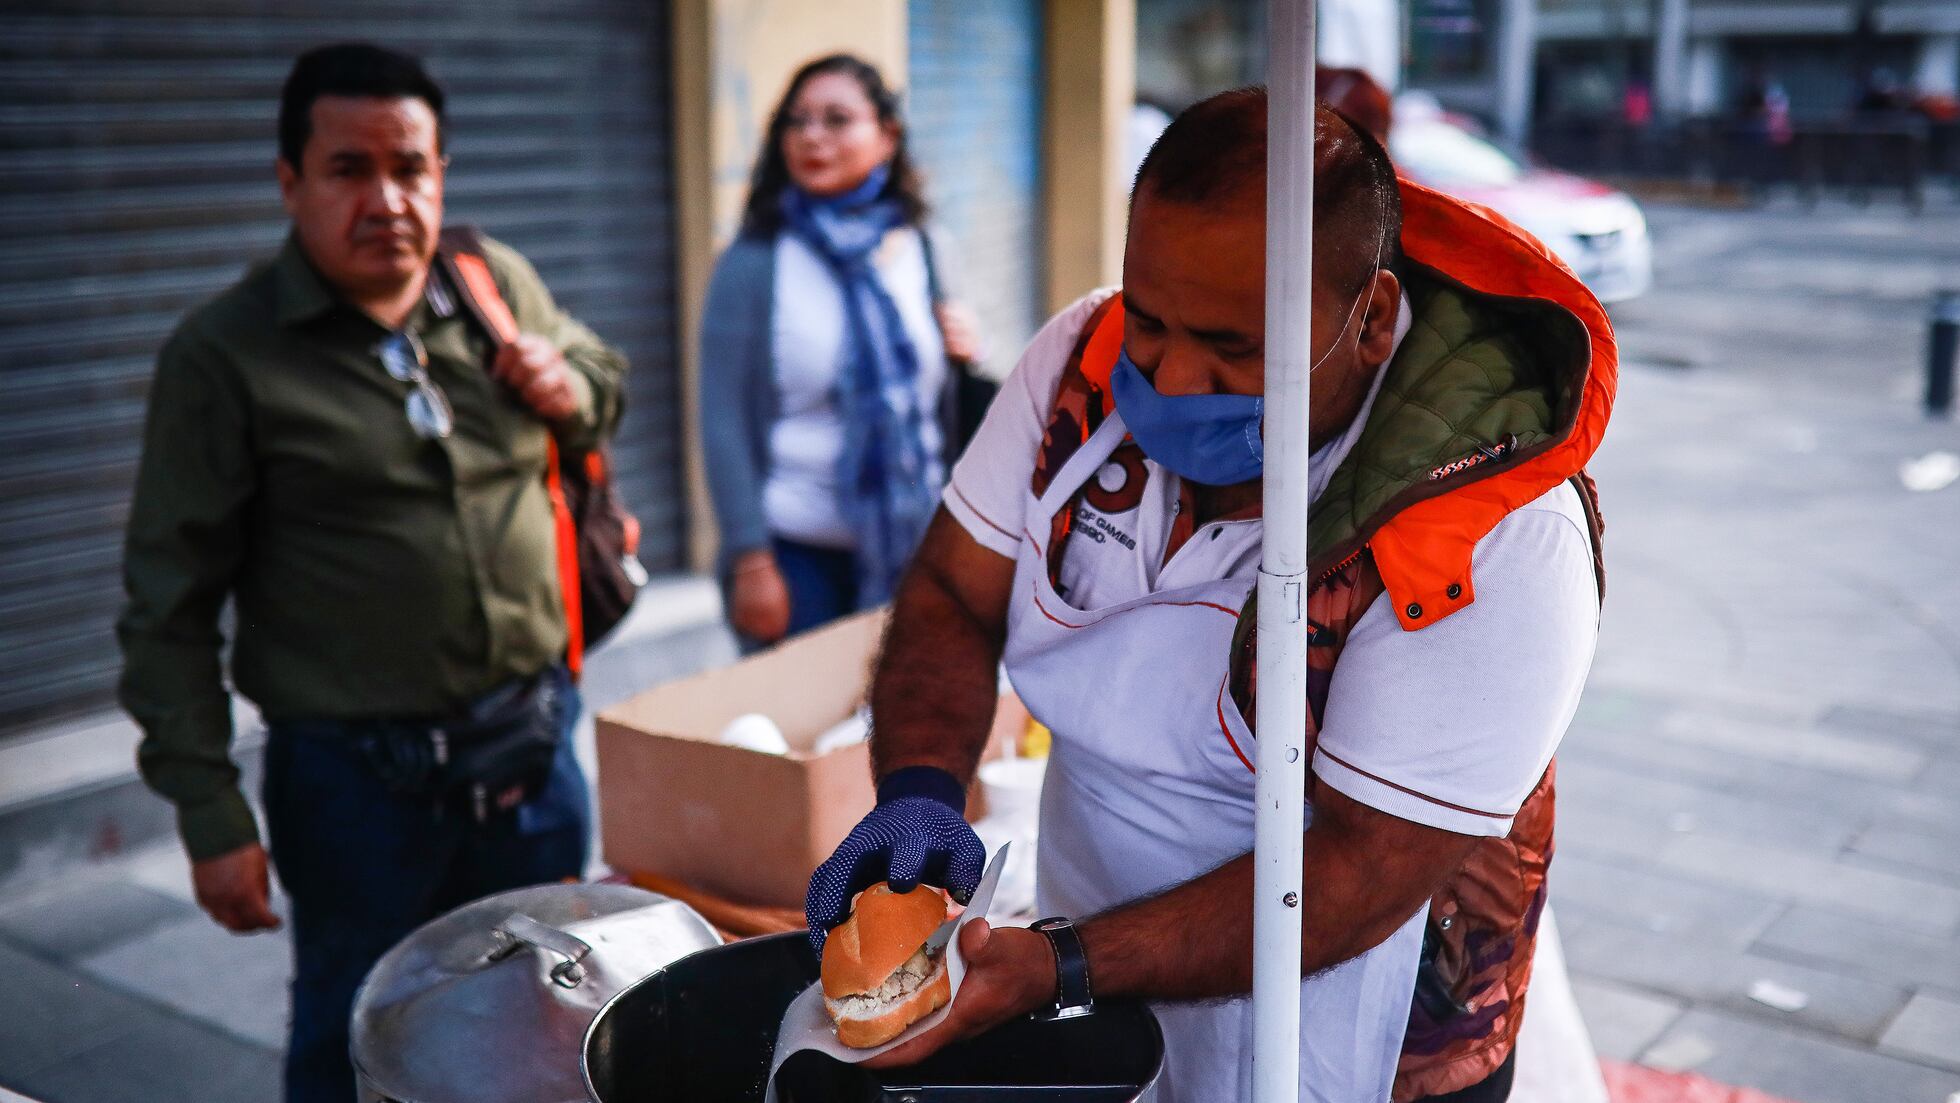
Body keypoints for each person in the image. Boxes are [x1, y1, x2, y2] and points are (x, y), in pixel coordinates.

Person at [803, 90, 1614, 1102]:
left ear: (1368, 320)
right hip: (1081, 937)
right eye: (1150, 321)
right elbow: (953, 590)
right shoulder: (1077, 360)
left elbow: (1362, 872)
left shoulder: (1499, 526)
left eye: (1236, 347)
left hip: (1344, 996)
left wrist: (1062, 964)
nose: (1174, 376)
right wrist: (919, 788)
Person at [116, 43, 627, 1103]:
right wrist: (210, 812)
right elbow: (168, 607)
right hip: (357, 786)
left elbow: (602, 378)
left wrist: (563, 380)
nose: (388, 199)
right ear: (289, 181)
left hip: (532, 746)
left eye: (413, 168)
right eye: (350, 169)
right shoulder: (224, 354)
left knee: (548, 1016)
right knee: (357, 1029)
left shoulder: (491, 283)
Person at [700, 54, 982, 648]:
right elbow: (721, 417)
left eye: (836, 119)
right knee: (792, 736)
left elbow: (948, 404)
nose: (812, 138)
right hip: (796, 560)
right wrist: (749, 557)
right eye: (796, 122)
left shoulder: (927, 247)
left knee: (902, 731)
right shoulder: (754, 261)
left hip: (917, 551)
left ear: (887, 136)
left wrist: (969, 354)